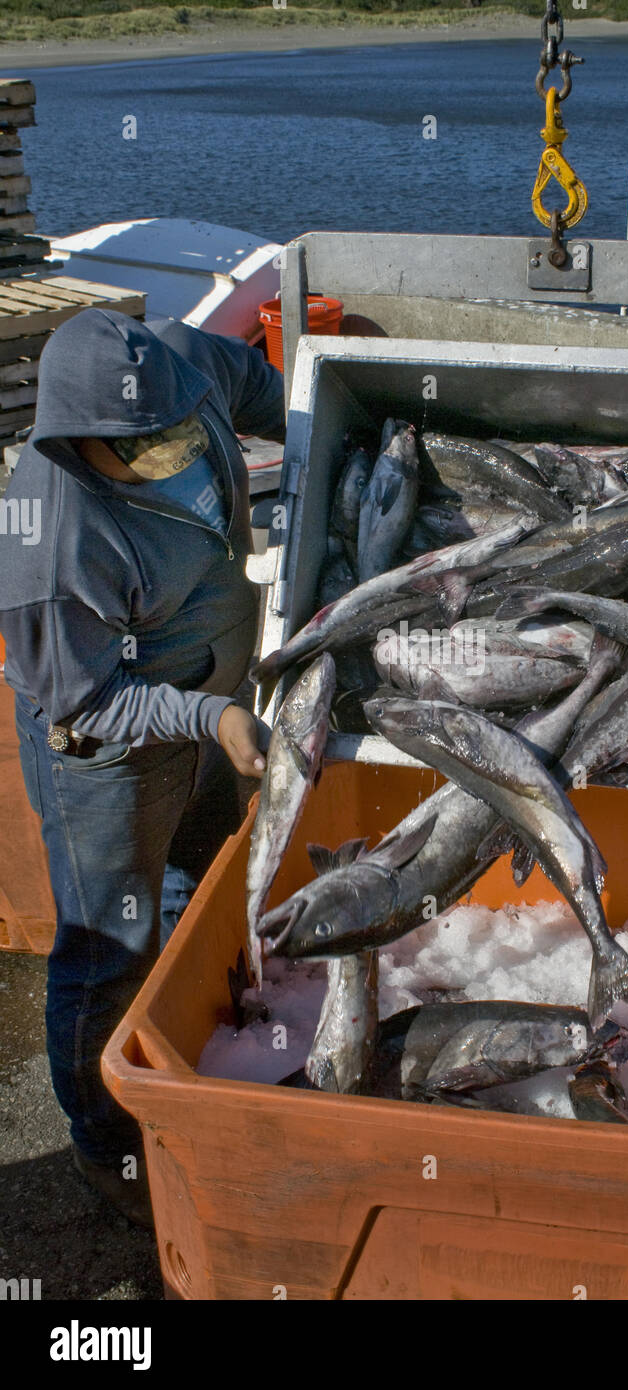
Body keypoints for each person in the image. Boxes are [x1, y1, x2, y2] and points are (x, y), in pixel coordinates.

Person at [0, 308, 285, 1225]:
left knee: (204, 884)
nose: (173, 452)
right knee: (104, 952)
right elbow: (83, 700)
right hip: (111, 753)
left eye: (179, 433)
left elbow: (270, 392)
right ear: (80, 443)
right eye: (144, 450)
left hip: (209, 717)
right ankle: (103, 1142)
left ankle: (202, 1040)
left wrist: (330, 435)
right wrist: (211, 715)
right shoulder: (50, 546)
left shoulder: (180, 367)